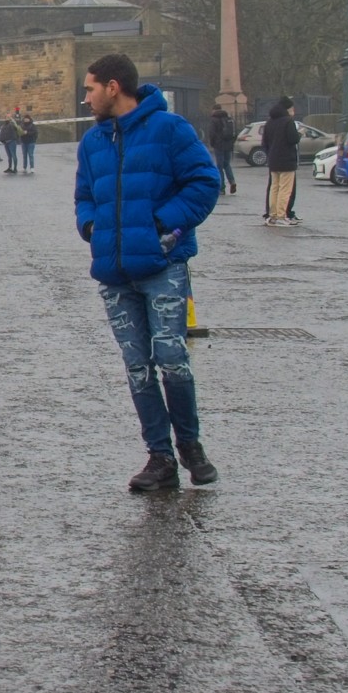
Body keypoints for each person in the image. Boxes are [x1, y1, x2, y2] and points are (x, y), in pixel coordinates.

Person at [73, 53, 222, 492]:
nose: (86, 98)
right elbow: (84, 196)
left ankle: (190, 446)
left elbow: (204, 182)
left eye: (90, 88)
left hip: (163, 265)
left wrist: (162, 224)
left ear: (113, 87)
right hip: (114, 272)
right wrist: (91, 227)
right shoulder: (93, 141)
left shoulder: (170, 129)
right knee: (137, 366)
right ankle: (159, 457)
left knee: (172, 359)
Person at [262, 97, 302, 226]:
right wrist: (299, 134)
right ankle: (282, 215)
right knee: (285, 189)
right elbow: (293, 139)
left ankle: (272, 215)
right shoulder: (288, 122)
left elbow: (265, 142)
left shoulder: (269, 122)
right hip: (287, 160)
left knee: (274, 188)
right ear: (288, 109)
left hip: (273, 159)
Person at [208, 105, 240, 196]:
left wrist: (213, 143)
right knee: (227, 164)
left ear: (214, 110)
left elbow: (212, 133)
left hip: (219, 146)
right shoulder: (229, 119)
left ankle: (221, 188)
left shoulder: (214, 120)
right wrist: (231, 143)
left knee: (219, 166)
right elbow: (235, 133)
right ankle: (232, 181)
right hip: (228, 146)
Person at [18, 106, 39, 172]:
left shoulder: (32, 125)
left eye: (27, 119)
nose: (26, 120)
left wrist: (27, 133)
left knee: (30, 155)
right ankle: (24, 167)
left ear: (29, 119)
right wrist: (21, 133)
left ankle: (32, 167)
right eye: (25, 119)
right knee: (24, 155)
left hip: (31, 142)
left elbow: (35, 132)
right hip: (24, 142)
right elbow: (19, 132)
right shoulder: (22, 125)